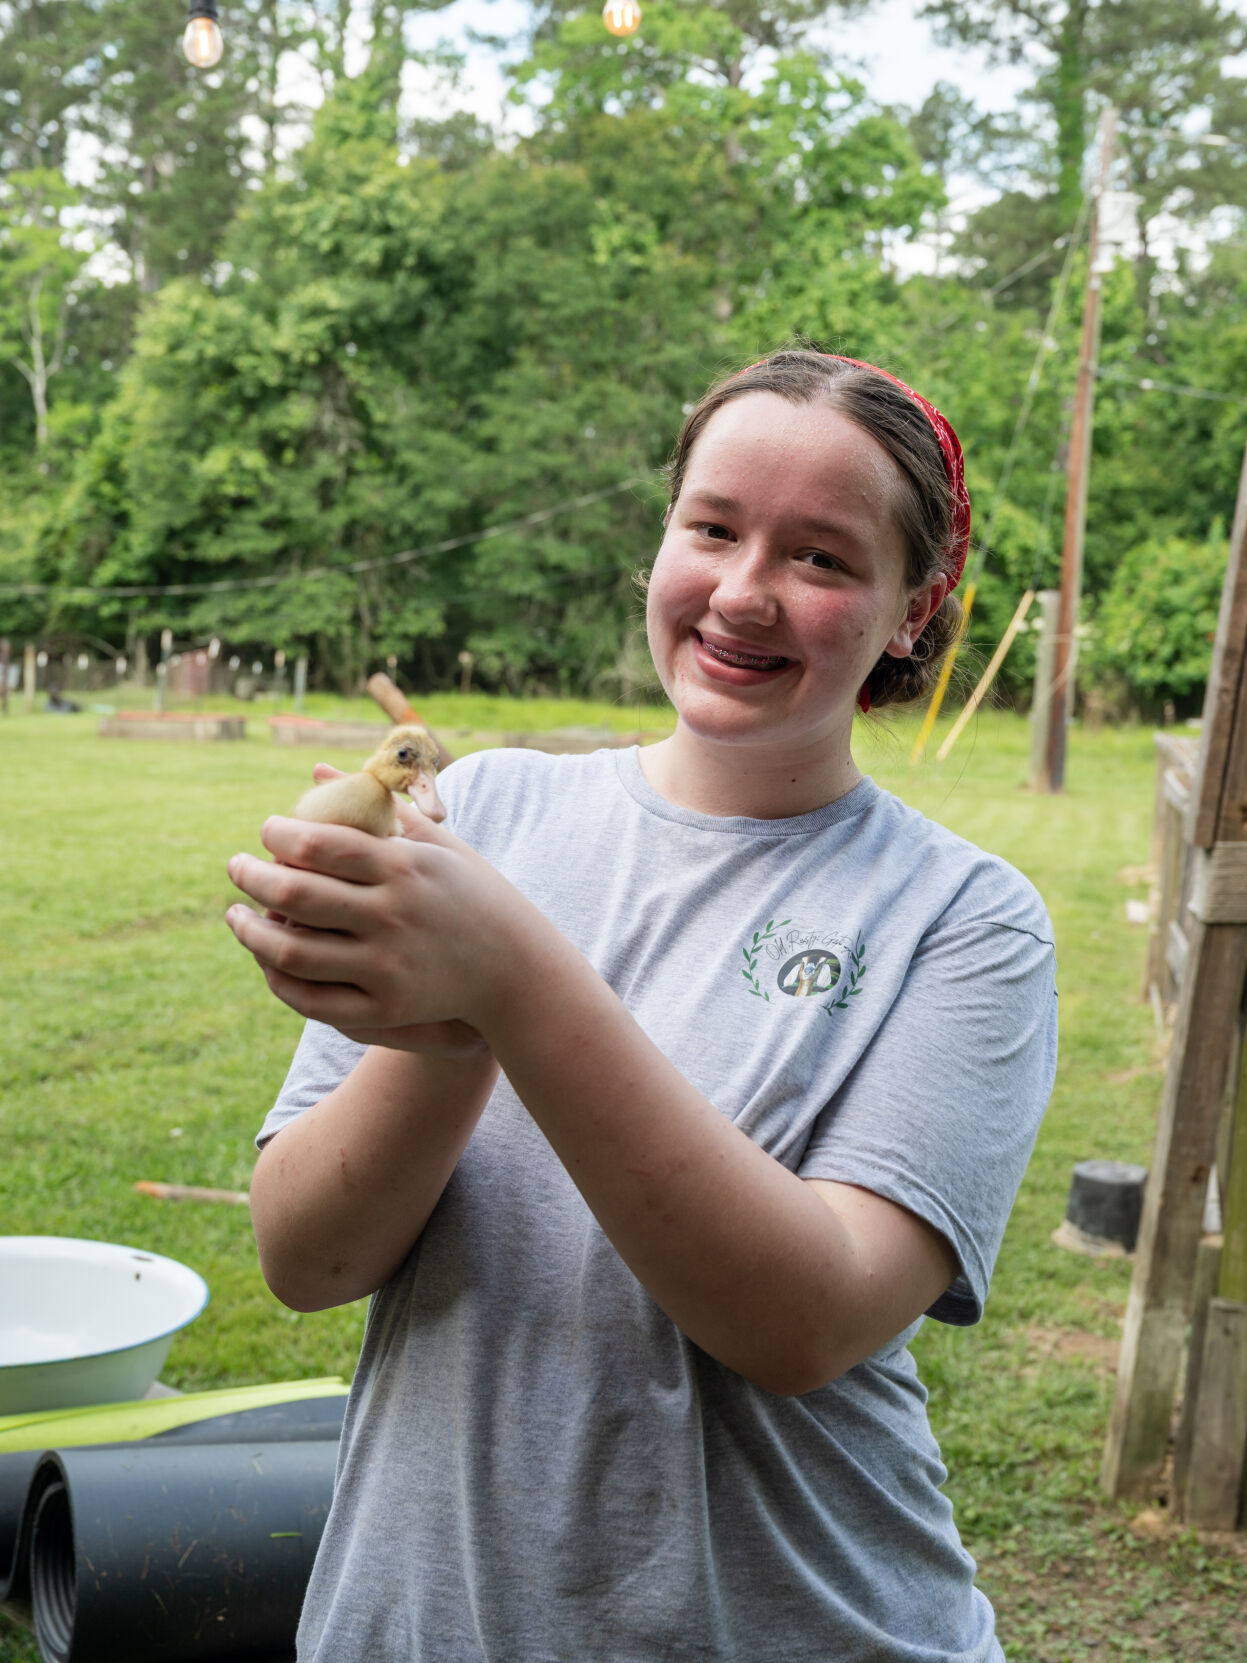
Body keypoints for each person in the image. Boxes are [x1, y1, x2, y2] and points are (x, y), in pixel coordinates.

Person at [226, 348, 1058, 1662]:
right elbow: (307, 1259)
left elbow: (806, 1324)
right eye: (712, 528)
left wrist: (509, 976)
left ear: (915, 608)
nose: (743, 592)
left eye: (824, 557)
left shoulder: (967, 922)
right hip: (426, 1625)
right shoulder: (478, 815)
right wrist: (446, 1035)